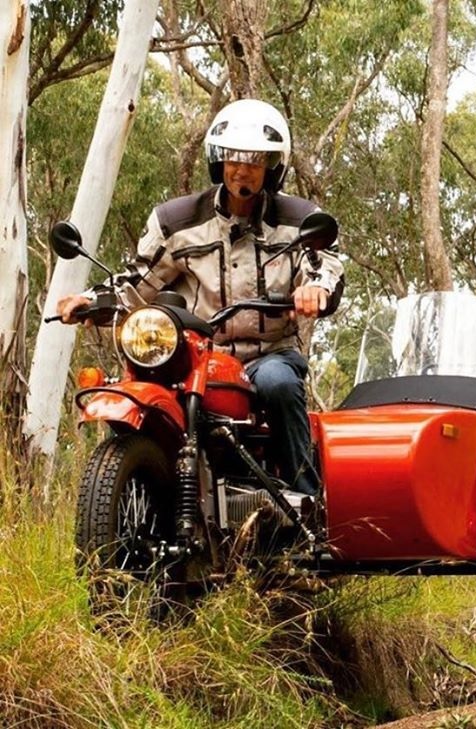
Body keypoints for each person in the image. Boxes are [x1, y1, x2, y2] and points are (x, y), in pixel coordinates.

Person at [57, 98, 345, 500]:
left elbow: (323, 265)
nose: (242, 169)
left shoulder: (298, 221)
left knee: (279, 384)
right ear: (218, 160)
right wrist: (91, 300)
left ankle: (304, 503)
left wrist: (316, 289)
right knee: (141, 388)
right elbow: (140, 278)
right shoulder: (178, 222)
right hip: (198, 356)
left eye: (255, 159)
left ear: (272, 167)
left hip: (270, 353)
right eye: (233, 157)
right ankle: (146, 497)